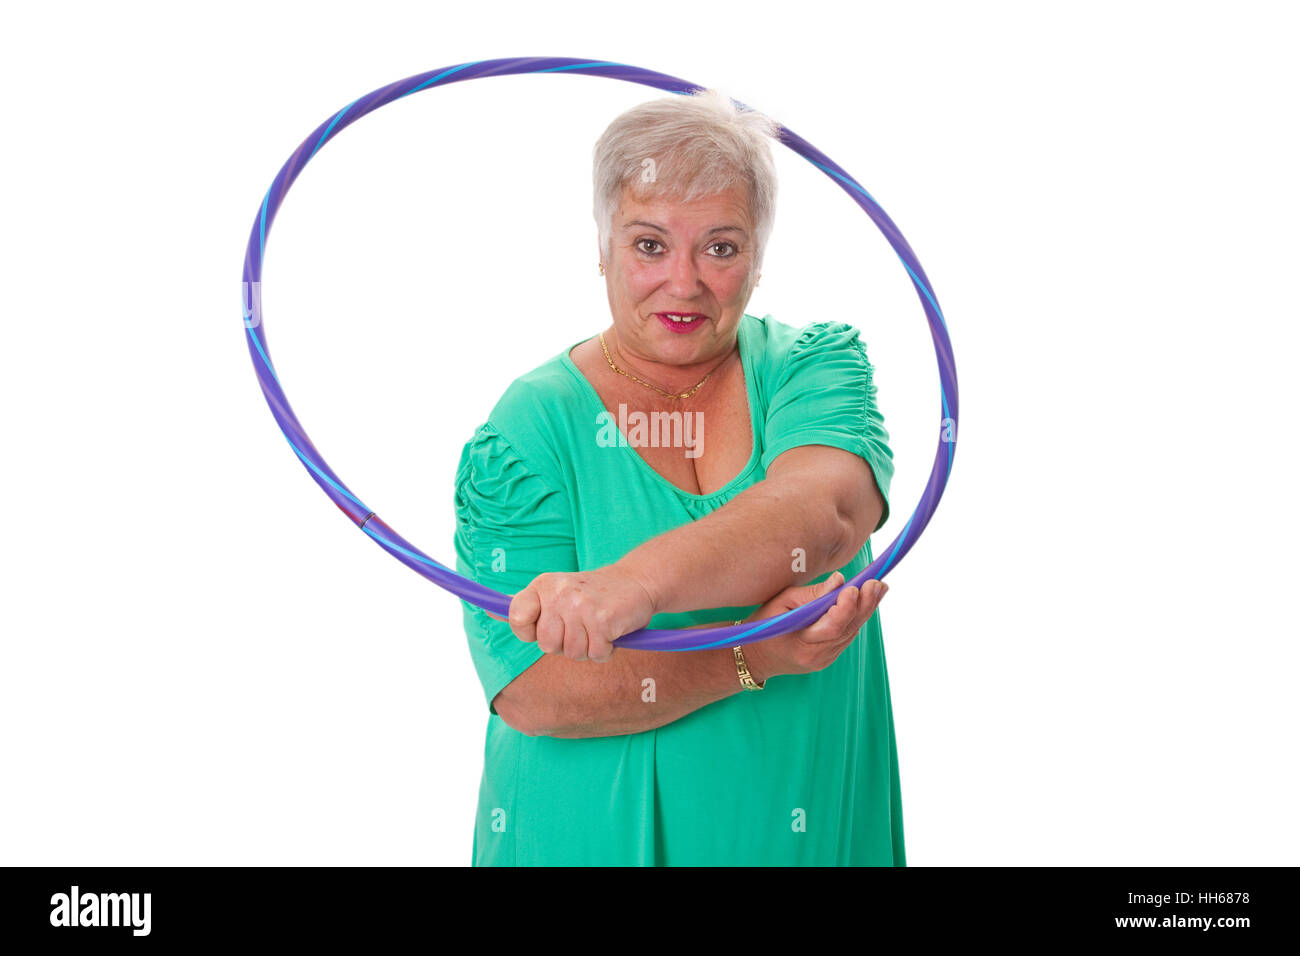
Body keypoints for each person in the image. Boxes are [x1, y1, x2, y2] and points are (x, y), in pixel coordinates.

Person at [453, 87, 902, 866]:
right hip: (583, 833)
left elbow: (822, 511)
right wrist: (753, 653)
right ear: (602, 248)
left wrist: (632, 586)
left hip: (800, 819)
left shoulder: (812, 366)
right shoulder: (527, 428)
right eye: (650, 245)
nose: (685, 282)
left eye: (721, 247)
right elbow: (532, 689)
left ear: (757, 254)